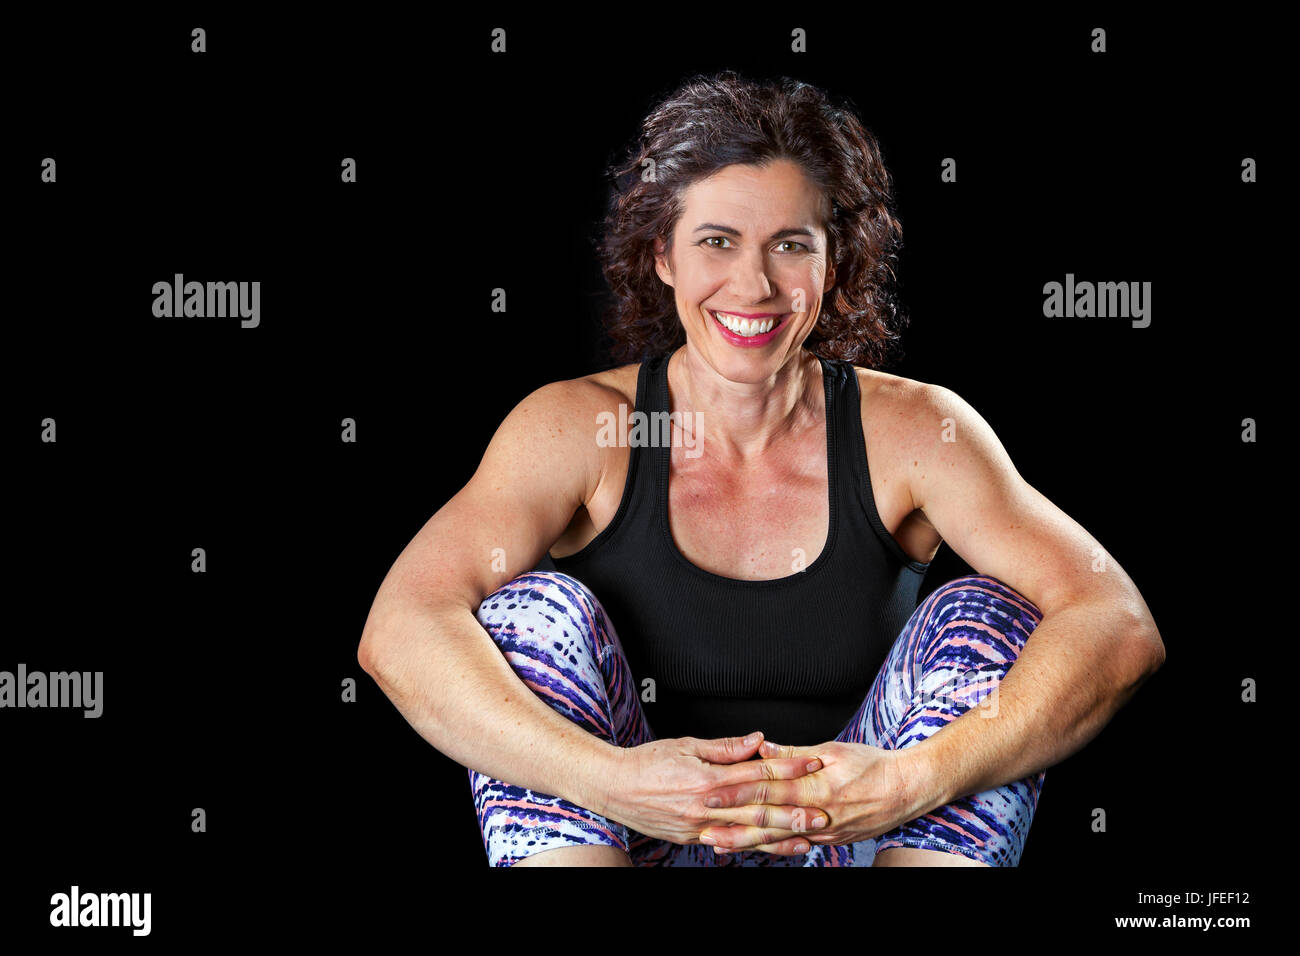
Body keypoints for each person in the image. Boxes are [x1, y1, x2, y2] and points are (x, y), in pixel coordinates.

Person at [357, 71, 1165, 867]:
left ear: (831, 263)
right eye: (717, 241)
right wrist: (615, 783)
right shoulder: (575, 429)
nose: (754, 284)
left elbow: (1116, 622)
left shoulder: (921, 431)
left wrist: (910, 783)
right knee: (528, 613)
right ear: (664, 254)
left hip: (854, 836)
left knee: (984, 614)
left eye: (790, 245)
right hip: (632, 833)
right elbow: (402, 627)